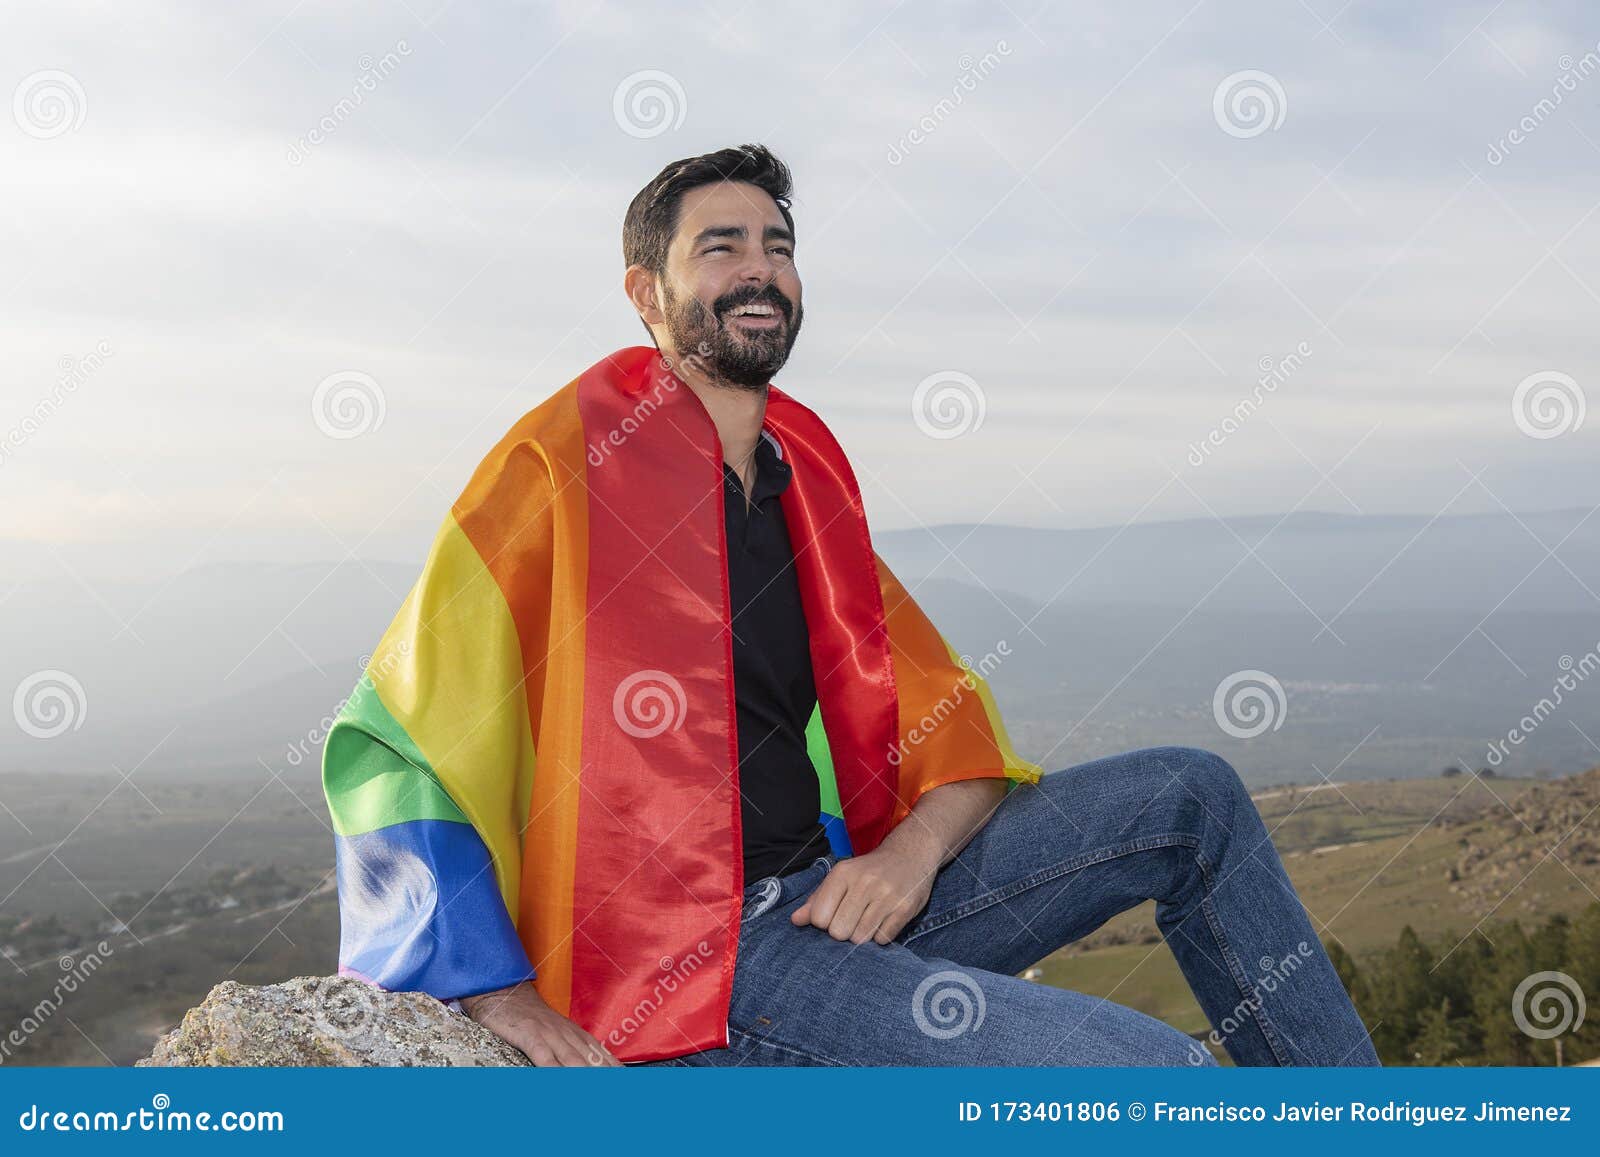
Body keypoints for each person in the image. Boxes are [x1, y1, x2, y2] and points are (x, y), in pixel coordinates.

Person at [321, 143, 1380, 1069]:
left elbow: (946, 724)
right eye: (721, 246)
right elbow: (395, 738)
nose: (761, 270)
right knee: (1151, 1074)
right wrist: (486, 983)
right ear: (646, 292)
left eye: (778, 245)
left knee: (1189, 796)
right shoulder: (559, 465)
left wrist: (905, 861)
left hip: (835, 899)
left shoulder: (802, 470)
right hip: (697, 963)